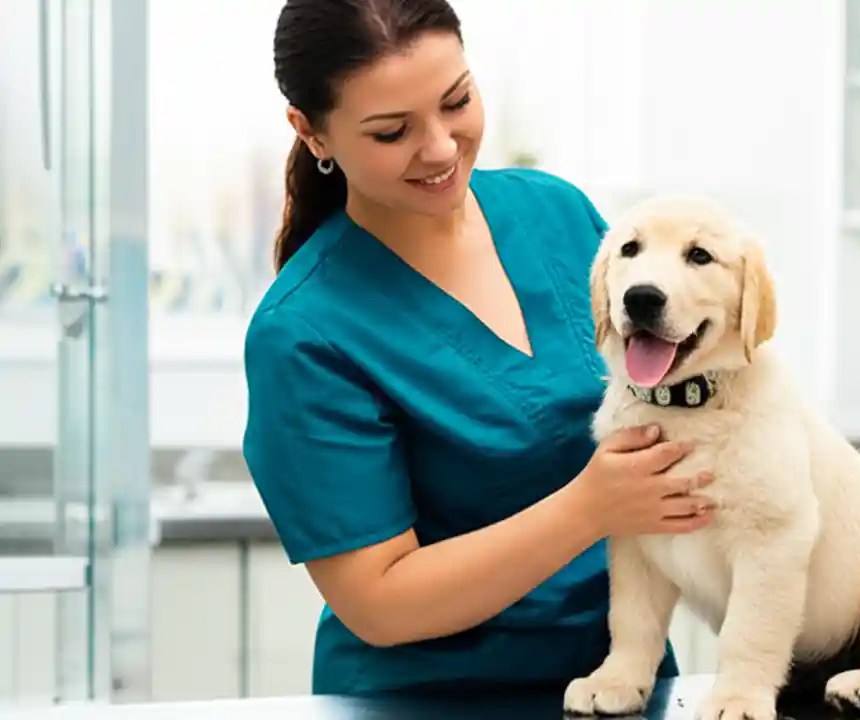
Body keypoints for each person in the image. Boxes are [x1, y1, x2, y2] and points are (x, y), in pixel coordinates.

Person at [241, 0, 716, 698]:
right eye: (391, 131)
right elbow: (379, 602)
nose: (438, 147)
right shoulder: (305, 332)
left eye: (456, 100)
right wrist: (591, 508)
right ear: (312, 132)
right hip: (433, 699)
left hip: (623, 679)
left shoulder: (556, 212)